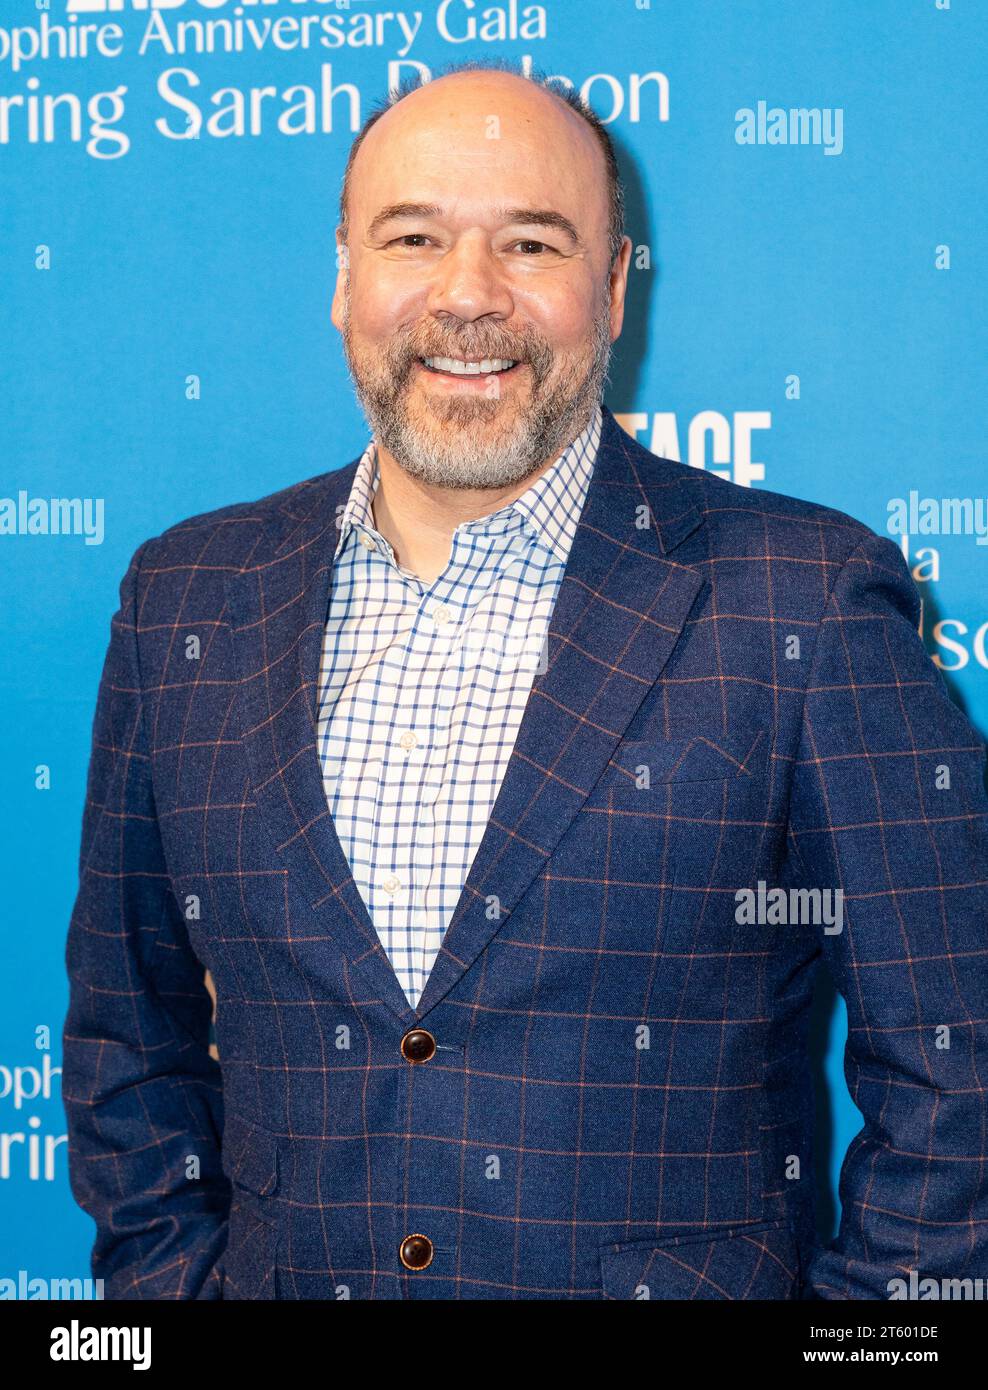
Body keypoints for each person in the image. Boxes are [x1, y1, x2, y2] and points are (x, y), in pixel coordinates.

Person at [63, 59, 988, 1300]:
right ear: (343, 277)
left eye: (532, 245)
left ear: (610, 290)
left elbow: (955, 1063)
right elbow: (132, 1034)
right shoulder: (184, 600)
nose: (468, 297)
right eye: (413, 237)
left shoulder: (803, 600)